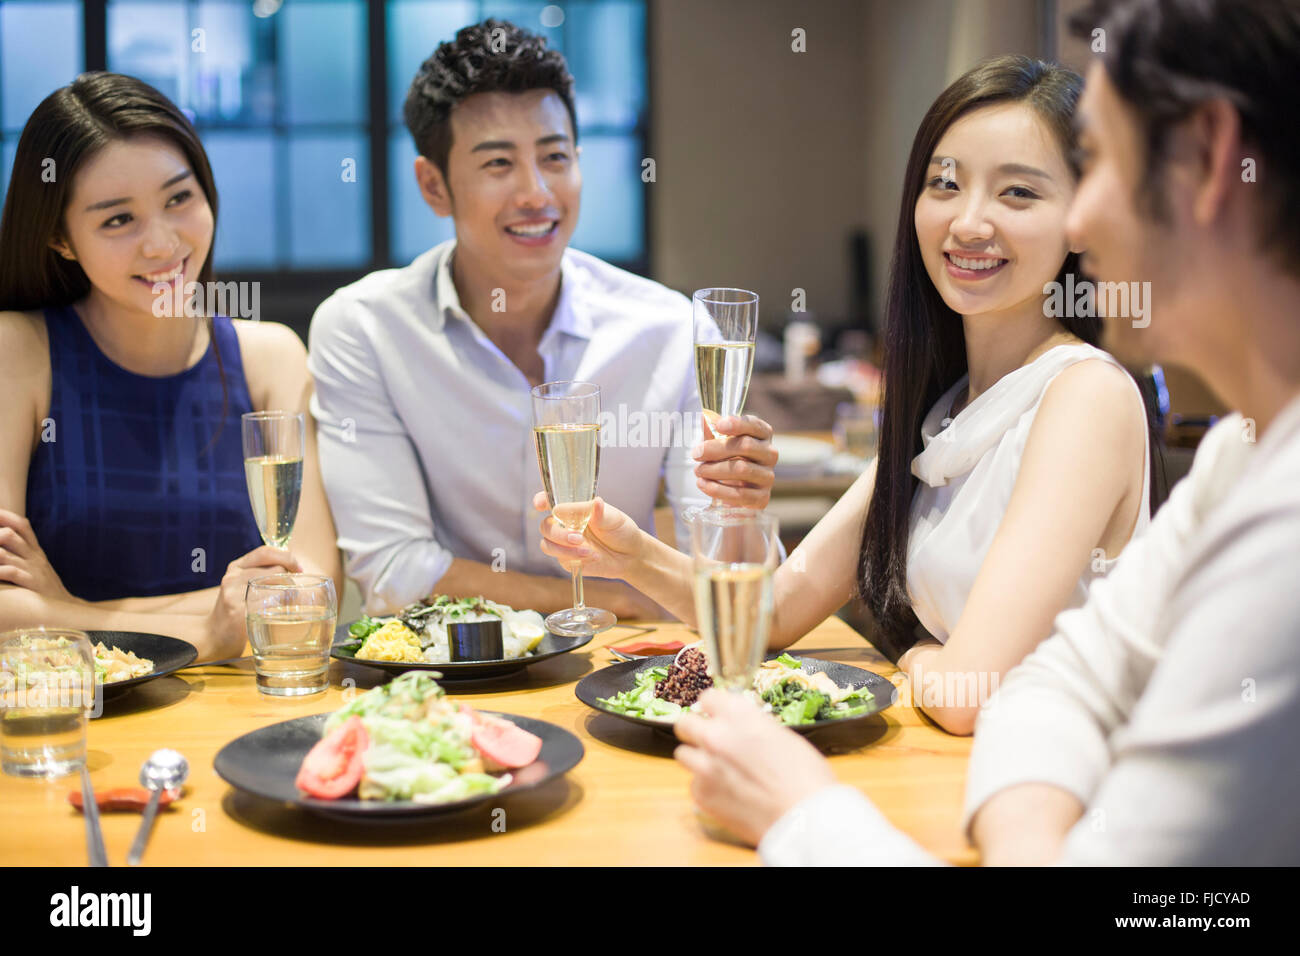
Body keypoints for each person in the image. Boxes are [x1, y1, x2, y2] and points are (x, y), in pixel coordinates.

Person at [671, 0, 1300, 865]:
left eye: (1099, 163)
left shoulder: (1272, 515)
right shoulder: (1243, 454)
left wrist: (802, 810)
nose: (1079, 224)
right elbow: (1057, 685)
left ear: (1209, 161)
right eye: (944, 183)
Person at [538, 54, 1152, 734]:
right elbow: (772, 613)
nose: (969, 222)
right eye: (944, 183)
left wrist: (916, 653)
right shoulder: (946, 410)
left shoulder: (1085, 397)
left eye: (1018, 194)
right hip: (959, 784)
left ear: (1082, 219)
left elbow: (966, 695)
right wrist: (630, 552)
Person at [308, 19, 776, 618]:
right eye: (498, 163)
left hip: (627, 678)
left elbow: (727, 583)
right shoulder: (365, 329)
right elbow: (396, 571)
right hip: (455, 676)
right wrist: (621, 599)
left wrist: (740, 504)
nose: (536, 193)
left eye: (554, 157)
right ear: (434, 186)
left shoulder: (670, 328)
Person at [0, 72, 341, 662]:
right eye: (117, 220)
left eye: (178, 199)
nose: (161, 243)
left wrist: (63, 611)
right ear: (60, 238)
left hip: (241, 722)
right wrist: (212, 631)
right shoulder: (19, 351)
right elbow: (5, 617)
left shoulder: (271, 358)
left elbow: (307, 602)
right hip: (81, 723)